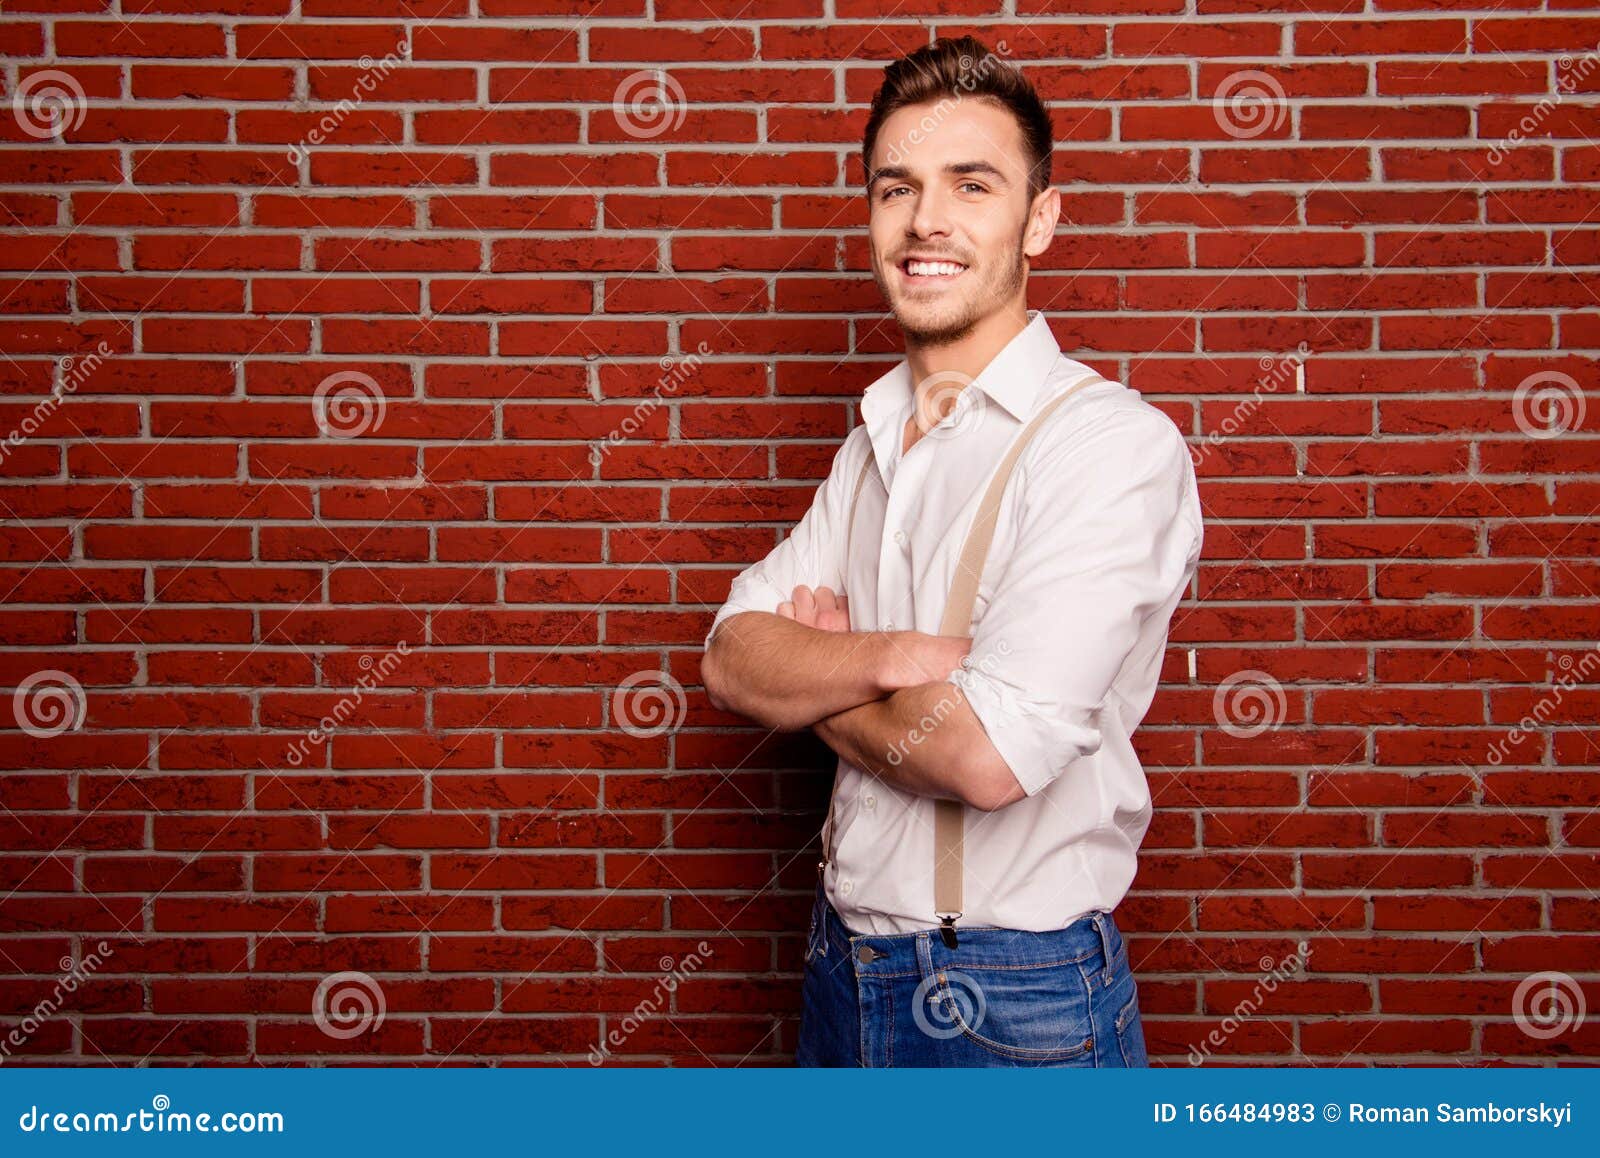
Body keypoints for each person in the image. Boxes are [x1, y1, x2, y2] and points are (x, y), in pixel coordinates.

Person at [701, 35, 1203, 1068]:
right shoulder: (871, 444)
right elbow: (729, 657)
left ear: (1040, 220)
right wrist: (898, 657)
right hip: (841, 968)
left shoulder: (1108, 447)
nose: (926, 220)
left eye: (972, 185)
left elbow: (982, 757)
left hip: (1013, 999)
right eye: (898, 188)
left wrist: (819, 680)